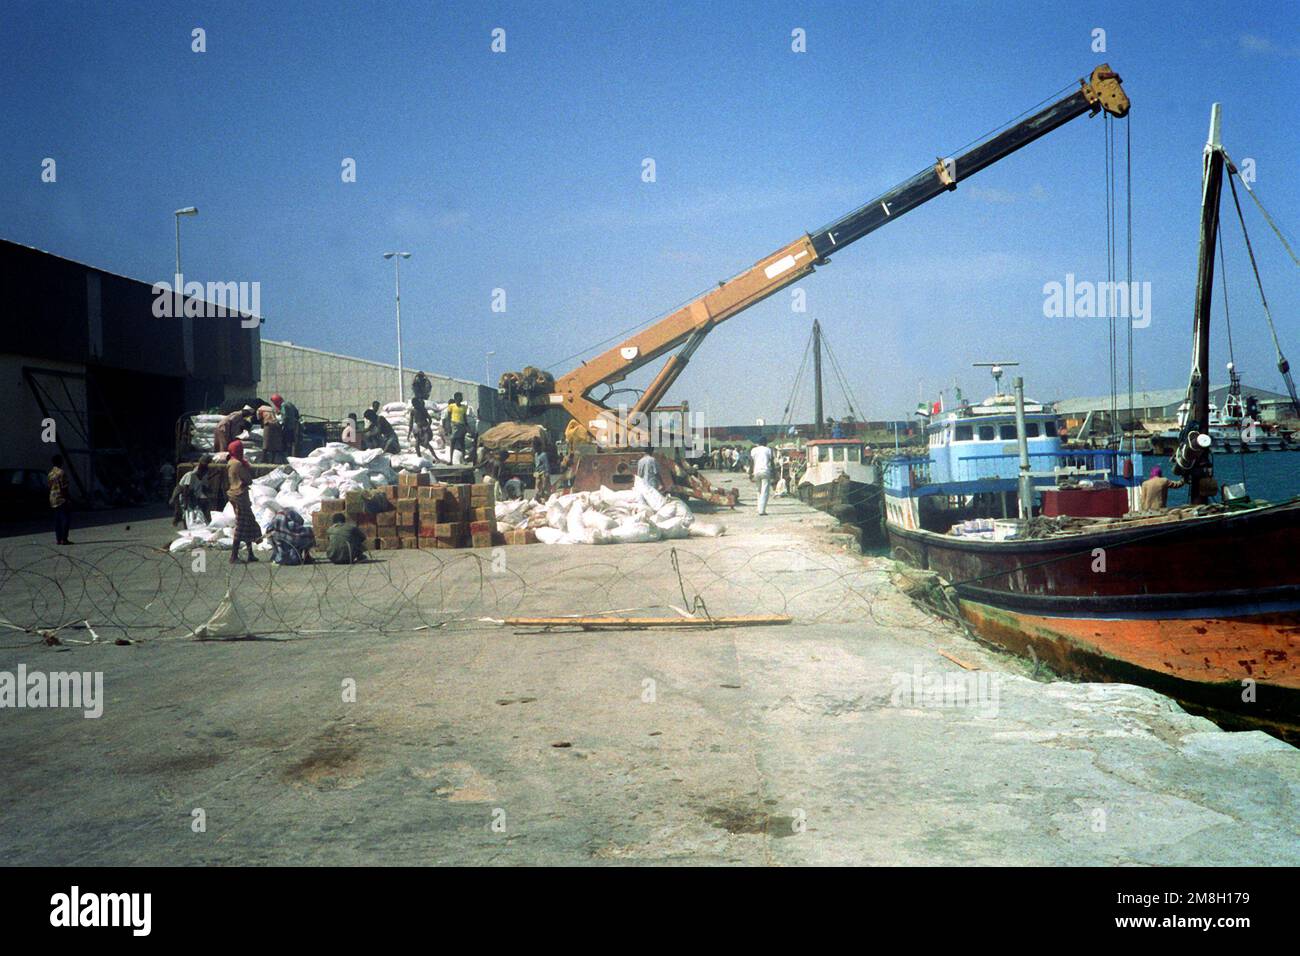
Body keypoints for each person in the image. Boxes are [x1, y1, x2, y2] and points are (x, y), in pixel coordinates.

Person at [225, 440, 260, 563]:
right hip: (240, 496)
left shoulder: (230, 462)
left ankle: (250, 553)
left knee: (248, 523)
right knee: (242, 525)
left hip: (235, 495)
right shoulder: (238, 464)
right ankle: (233, 556)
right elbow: (248, 479)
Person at [171, 455, 214, 527]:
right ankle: (185, 524)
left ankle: (198, 523)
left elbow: (204, 487)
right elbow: (185, 489)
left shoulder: (204, 476)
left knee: (196, 510)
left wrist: (208, 494)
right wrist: (186, 502)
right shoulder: (190, 475)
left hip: (193, 493)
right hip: (183, 493)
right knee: (184, 511)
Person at [48, 454, 72, 545]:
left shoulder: (50, 474)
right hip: (61, 498)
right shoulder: (61, 473)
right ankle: (64, 539)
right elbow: (64, 487)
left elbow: (49, 486)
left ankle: (58, 539)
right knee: (65, 518)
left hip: (53, 498)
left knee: (57, 520)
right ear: (60, 462)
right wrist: (68, 498)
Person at [749, 436, 775, 516]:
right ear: (765, 443)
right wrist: (774, 472)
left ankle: (758, 508)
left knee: (759, 490)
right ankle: (762, 510)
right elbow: (772, 462)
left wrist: (750, 473)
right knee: (765, 491)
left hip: (756, 471)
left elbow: (751, 462)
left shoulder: (753, 450)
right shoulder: (768, 450)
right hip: (765, 471)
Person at [634, 445, 665, 510]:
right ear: (651, 451)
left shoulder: (640, 461)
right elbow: (656, 473)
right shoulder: (652, 460)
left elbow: (639, 475)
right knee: (653, 501)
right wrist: (661, 483)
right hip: (652, 483)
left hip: (643, 484)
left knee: (645, 501)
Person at [257, 399, 284, 464]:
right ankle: (273, 460)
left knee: (266, 443)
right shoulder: (271, 409)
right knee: (274, 442)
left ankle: (263, 459)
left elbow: (259, 418)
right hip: (276, 424)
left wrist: (262, 426)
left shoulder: (260, 409)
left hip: (268, 425)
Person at [276, 393, 302, 458]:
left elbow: (285, 417)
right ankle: (292, 456)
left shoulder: (283, 405)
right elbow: (297, 413)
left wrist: (282, 425)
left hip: (287, 427)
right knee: (292, 442)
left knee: (285, 443)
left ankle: (287, 458)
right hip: (294, 426)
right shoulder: (289, 403)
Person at [446, 392, 469, 462]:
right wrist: (449, 427)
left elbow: (465, 418)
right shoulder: (451, 406)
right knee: (453, 442)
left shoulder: (464, 407)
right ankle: (451, 460)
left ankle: (464, 459)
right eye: (460, 397)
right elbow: (449, 417)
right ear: (456, 398)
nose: (461, 398)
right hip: (454, 425)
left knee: (462, 443)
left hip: (461, 426)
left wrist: (467, 426)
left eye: (461, 397)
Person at [532, 435, 551, 500]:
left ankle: (545, 500)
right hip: (538, 474)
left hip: (543, 474)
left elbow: (546, 465)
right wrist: (535, 472)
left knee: (545, 489)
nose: (535, 449)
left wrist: (546, 474)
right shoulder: (536, 455)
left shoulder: (543, 455)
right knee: (537, 490)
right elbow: (536, 465)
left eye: (536, 447)